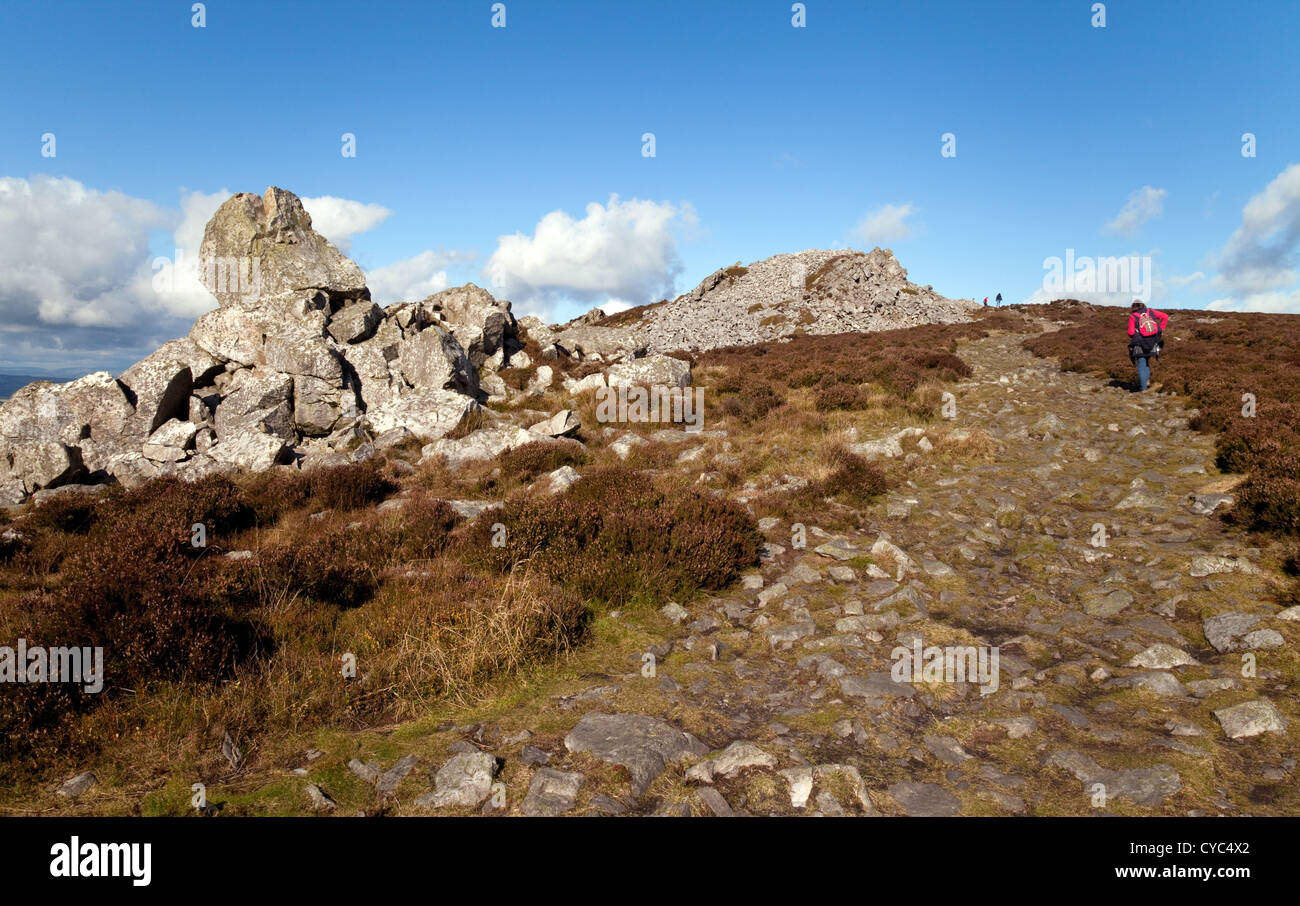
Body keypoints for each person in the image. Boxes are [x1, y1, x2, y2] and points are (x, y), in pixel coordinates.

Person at [1127, 301, 1169, 391]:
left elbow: (1130, 333)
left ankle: (1143, 388)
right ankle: (1146, 383)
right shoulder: (1150, 311)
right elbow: (1165, 316)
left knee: (1141, 363)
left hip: (1140, 343)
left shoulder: (1133, 316)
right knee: (1146, 362)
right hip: (1153, 341)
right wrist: (1161, 329)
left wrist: (1135, 333)